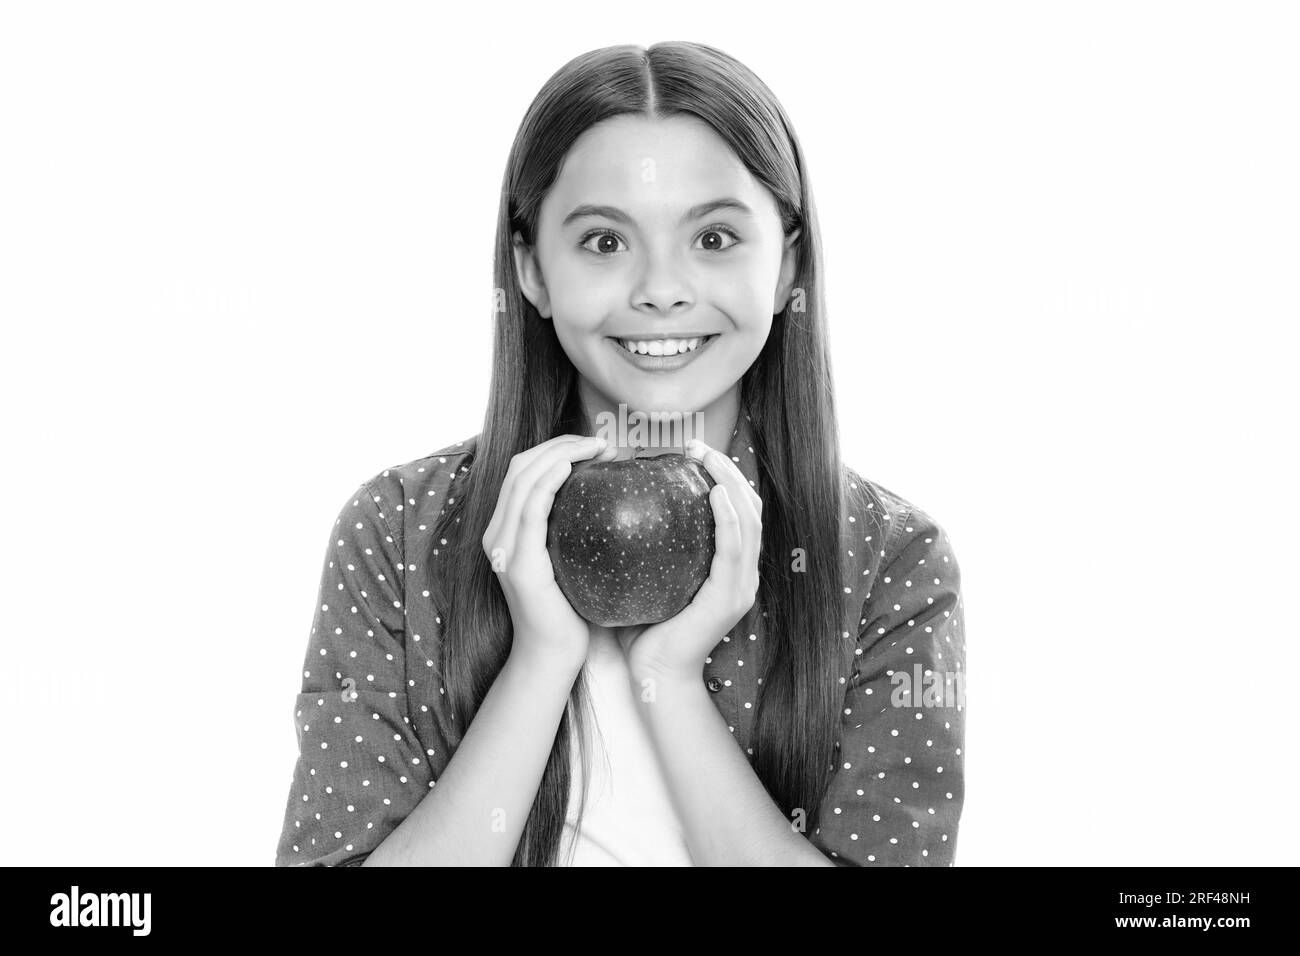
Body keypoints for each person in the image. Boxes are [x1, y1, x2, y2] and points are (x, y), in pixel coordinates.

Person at [274, 40, 966, 867]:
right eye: (605, 242)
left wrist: (667, 679)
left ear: (788, 266)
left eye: (714, 238)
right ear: (532, 271)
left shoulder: (888, 560)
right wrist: (539, 663)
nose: (660, 290)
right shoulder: (397, 531)